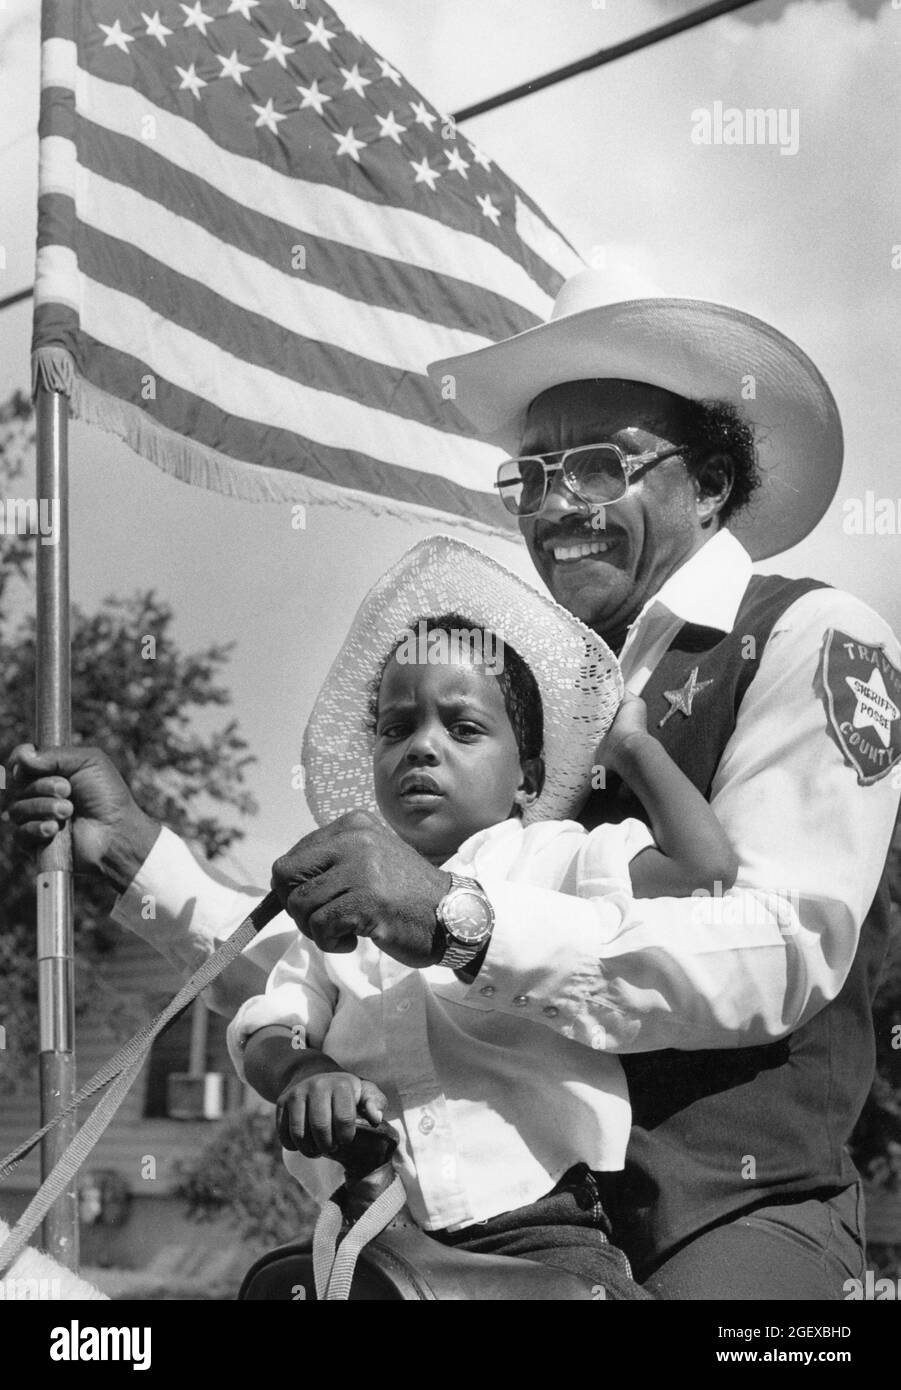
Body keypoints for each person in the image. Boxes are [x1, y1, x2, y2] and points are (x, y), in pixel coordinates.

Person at [8, 272, 901, 1298]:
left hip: (731, 1213)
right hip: (479, 1223)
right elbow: (352, 972)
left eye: (599, 465)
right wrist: (137, 860)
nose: (557, 503)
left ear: (704, 481)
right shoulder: (522, 682)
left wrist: (459, 921)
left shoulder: (810, 634)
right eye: (530, 475)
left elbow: (781, 948)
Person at [228, 536, 736, 1296]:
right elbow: (269, 1023)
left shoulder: (553, 859)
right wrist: (305, 1070)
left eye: (462, 729)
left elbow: (704, 869)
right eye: (396, 730)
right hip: (369, 1237)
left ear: (527, 775)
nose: (422, 748)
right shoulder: (338, 899)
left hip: (540, 1235)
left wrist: (630, 745)